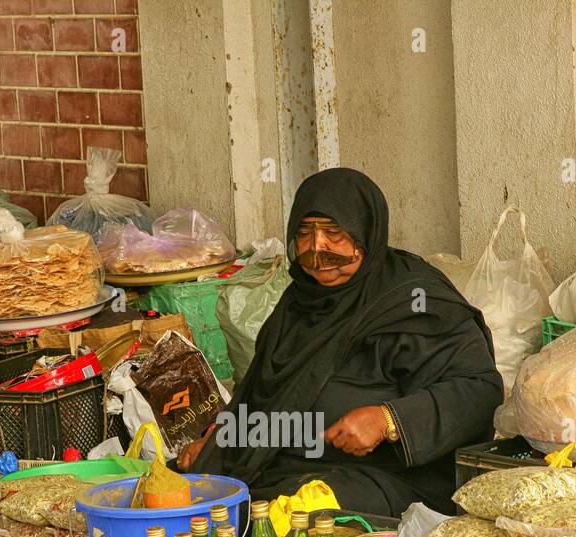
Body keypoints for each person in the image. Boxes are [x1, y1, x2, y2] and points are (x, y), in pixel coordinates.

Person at [178, 168, 503, 516]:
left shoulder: (413, 300)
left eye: (334, 233)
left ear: (366, 234)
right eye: (305, 234)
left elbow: (478, 390)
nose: (318, 249)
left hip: (393, 480)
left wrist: (389, 420)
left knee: (286, 518)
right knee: (190, 495)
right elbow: (263, 397)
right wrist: (221, 442)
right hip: (291, 464)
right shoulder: (300, 302)